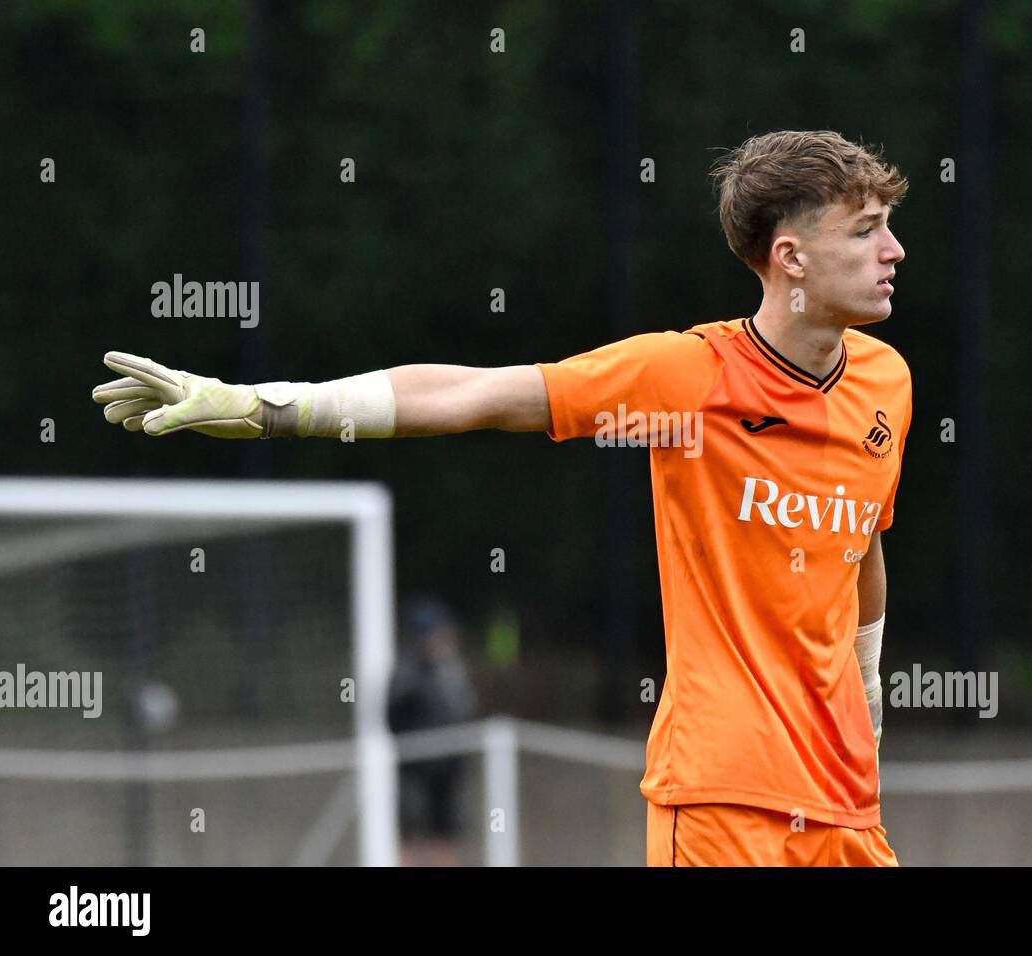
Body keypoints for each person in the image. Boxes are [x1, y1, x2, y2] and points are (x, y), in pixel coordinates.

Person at [92, 129, 912, 867]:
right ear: (791, 257)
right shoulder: (690, 376)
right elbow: (474, 393)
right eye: (866, 230)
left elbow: (863, 544)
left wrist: (867, 687)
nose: (894, 250)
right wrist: (270, 406)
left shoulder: (888, 382)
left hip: (847, 803)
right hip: (726, 798)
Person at [386, 596, 477, 866]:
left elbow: (463, 712)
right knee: (409, 832)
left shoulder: (452, 669)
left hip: (448, 768)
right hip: (414, 768)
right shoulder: (406, 674)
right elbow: (393, 719)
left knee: (444, 833)